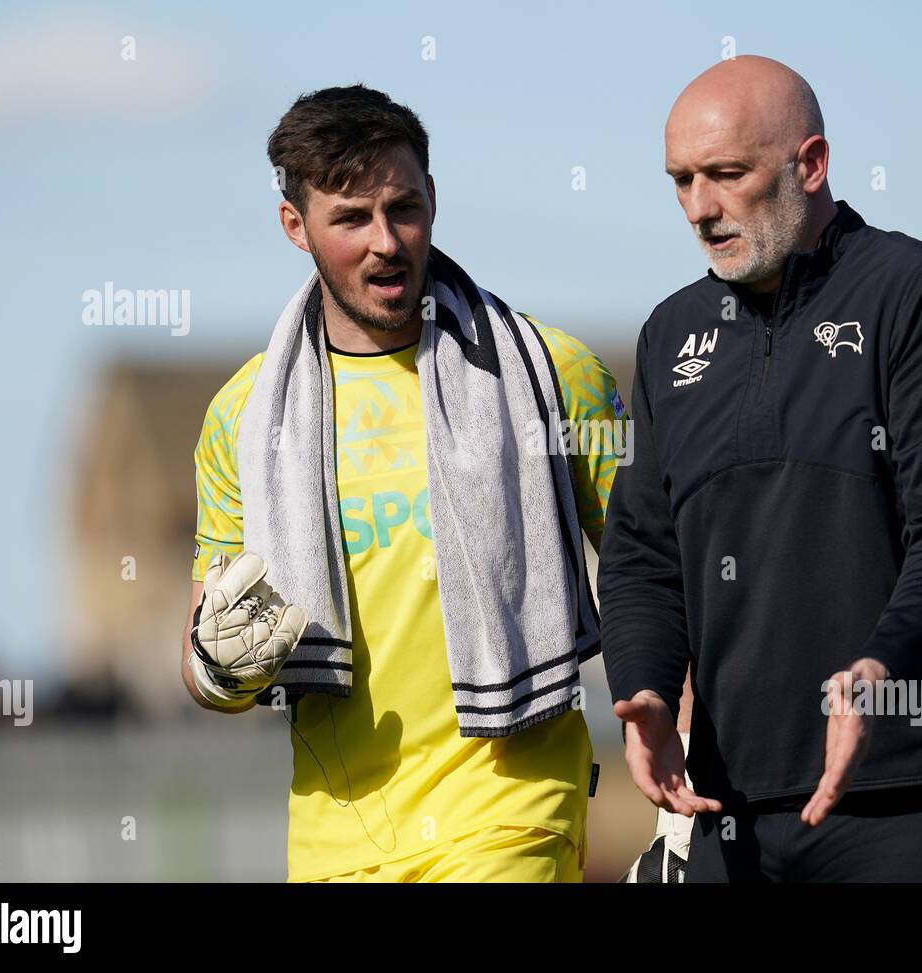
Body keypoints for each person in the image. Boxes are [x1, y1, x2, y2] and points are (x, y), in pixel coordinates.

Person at [600, 56, 922, 882]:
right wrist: (647, 688)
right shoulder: (669, 334)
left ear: (811, 163)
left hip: (914, 791)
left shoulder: (919, 292)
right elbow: (641, 555)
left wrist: (880, 667)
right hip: (731, 806)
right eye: (681, 180)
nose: (700, 207)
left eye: (726, 174)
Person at [181, 84, 625, 883]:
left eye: (405, 208)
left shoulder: (552, 374)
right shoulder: (243, 417)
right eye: (351, 218)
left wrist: (691, 753)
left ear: (433, 202)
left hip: (512, 817)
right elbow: (209, 667)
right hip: (334, 842)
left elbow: (654, 573)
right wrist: (219, 666)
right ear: (296, 226)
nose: (386, 242)